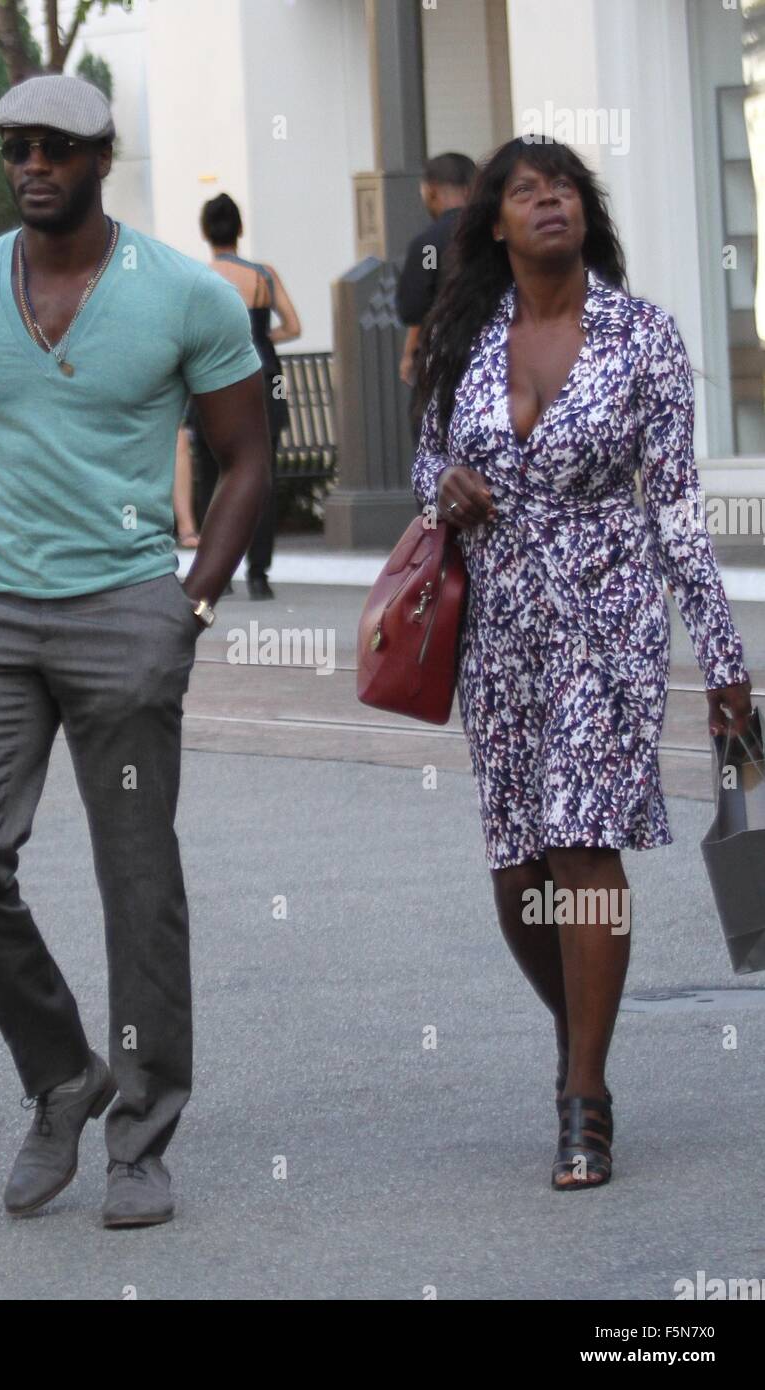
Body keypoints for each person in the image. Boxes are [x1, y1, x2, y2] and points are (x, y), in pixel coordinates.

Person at [0, 75, 270, 1229]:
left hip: (125, 608)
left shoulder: (181, 295)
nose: (32, 164)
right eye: (15, 146)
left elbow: (246, 460)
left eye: (56, 147)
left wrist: (191, 604)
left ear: (102, 157)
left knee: (136, 882)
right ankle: (62, 1070)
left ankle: (142, 1135)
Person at [413, 136, 752, 1193]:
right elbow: (429, 457)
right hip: (498, 629)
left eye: (563, 184)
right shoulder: (466, 338)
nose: (548, 196)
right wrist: (445, 486)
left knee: (578, 841)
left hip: (607, 625)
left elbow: (678, 511)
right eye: (525, 187)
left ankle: (584, 1100)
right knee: (518, 866)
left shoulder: (640, 336)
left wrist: (726, 662)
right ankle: (581, 1030)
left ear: (582, 212)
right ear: (497, 225)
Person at [187, 193, 300, 600]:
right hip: (264, 378)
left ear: (205, 231)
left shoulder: (199, 277)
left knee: (211, 473)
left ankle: (219, 573)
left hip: (211, 383)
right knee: (260, 474)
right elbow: (294, 324)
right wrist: (262, 339)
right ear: (240, 229)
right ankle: (259, 574)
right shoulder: (263, 275)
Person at [396, 153, 475, 413]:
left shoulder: (429, 244)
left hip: (444, 365)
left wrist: (410, 353)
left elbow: (413, 308)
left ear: (430, 191)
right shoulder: (501, 236)